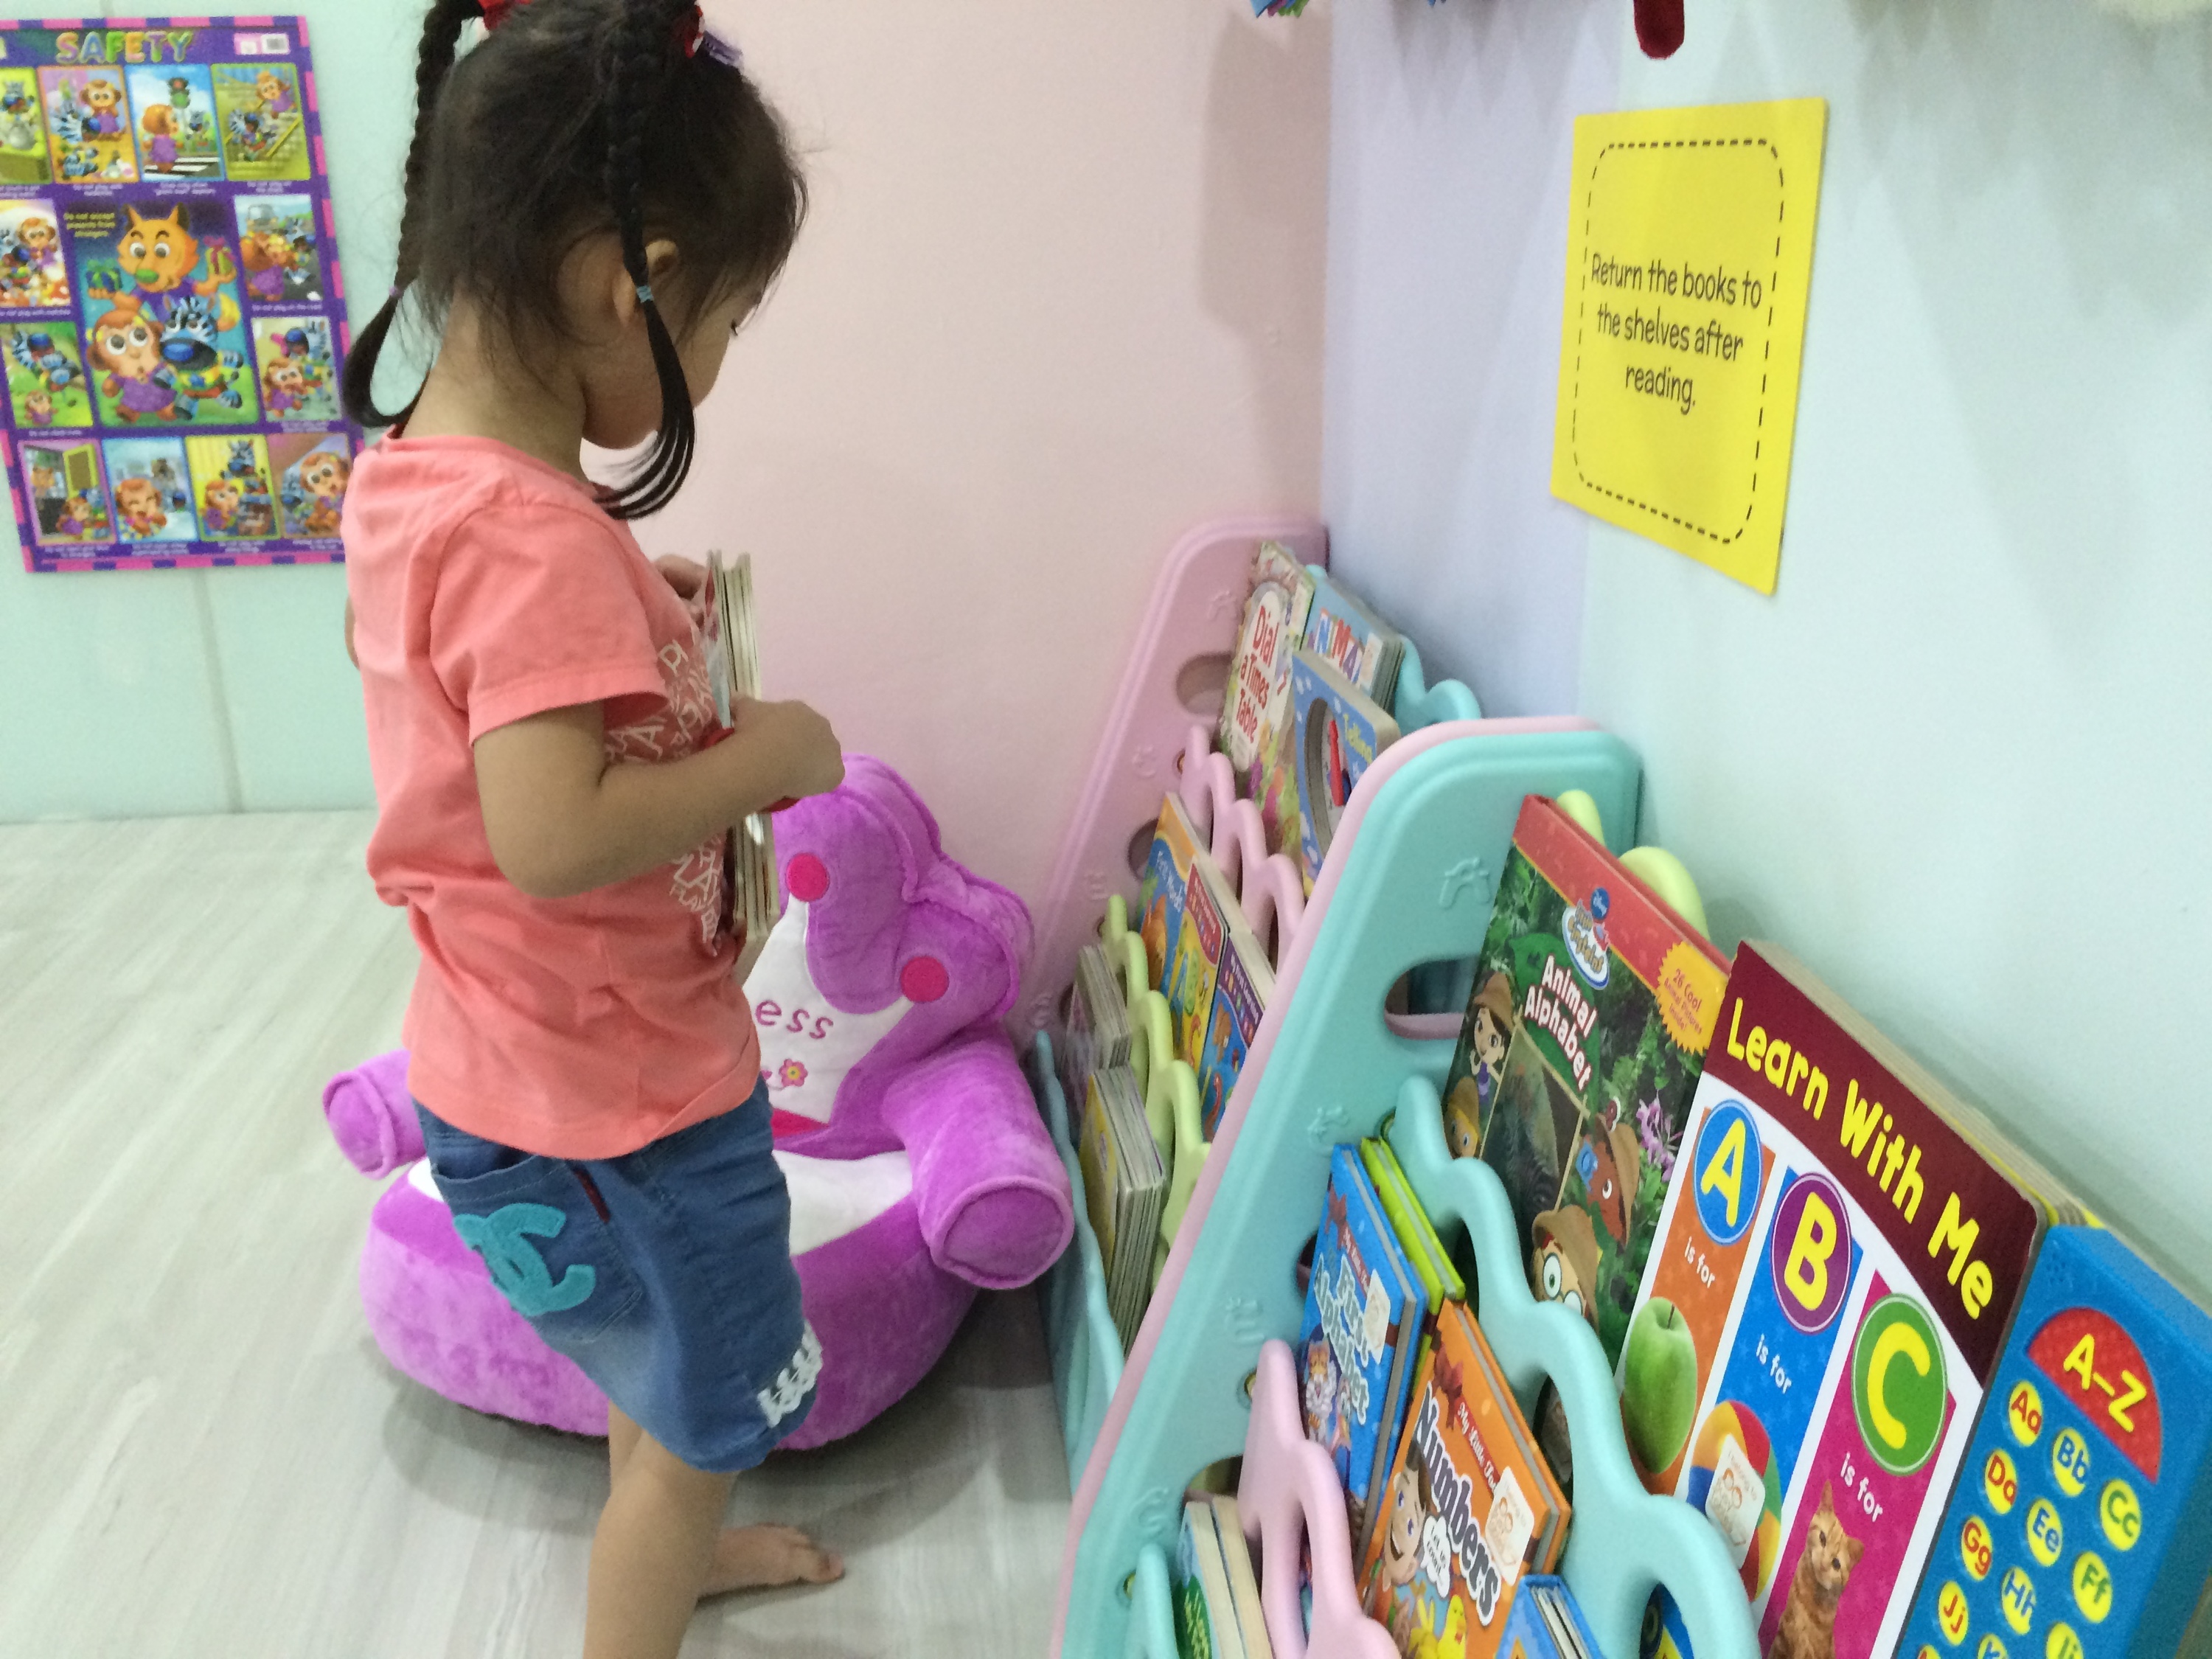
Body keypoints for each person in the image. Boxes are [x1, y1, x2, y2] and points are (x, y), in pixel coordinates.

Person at [338, 4, 844, 1655]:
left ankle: (668, 1534)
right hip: (629, 1103)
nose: (710, 371)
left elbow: (488, 695)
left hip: (508, 1077)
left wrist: (640, 620)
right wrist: (765, 756)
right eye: (718, 324)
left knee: (656, 1362)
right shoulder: (535, 541)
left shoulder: (425, 478)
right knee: (706, 1427)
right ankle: (659, 1565)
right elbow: (556, 836)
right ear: (605, 279)